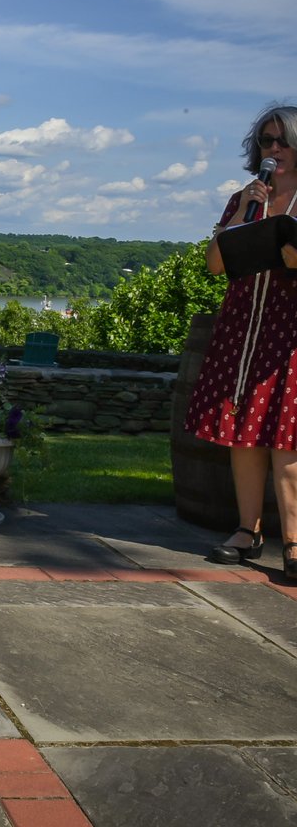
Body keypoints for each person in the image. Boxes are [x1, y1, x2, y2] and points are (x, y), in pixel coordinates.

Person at [185, 104, 297, 579]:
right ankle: (246, 531)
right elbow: (215, 264)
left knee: (286, 438)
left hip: (290, 327)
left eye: (283, 140)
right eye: (266, 142)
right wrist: (245, 217)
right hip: (242, 327)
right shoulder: (244, 198)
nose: (274, 150)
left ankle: (294, 542)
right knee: (244, 432)